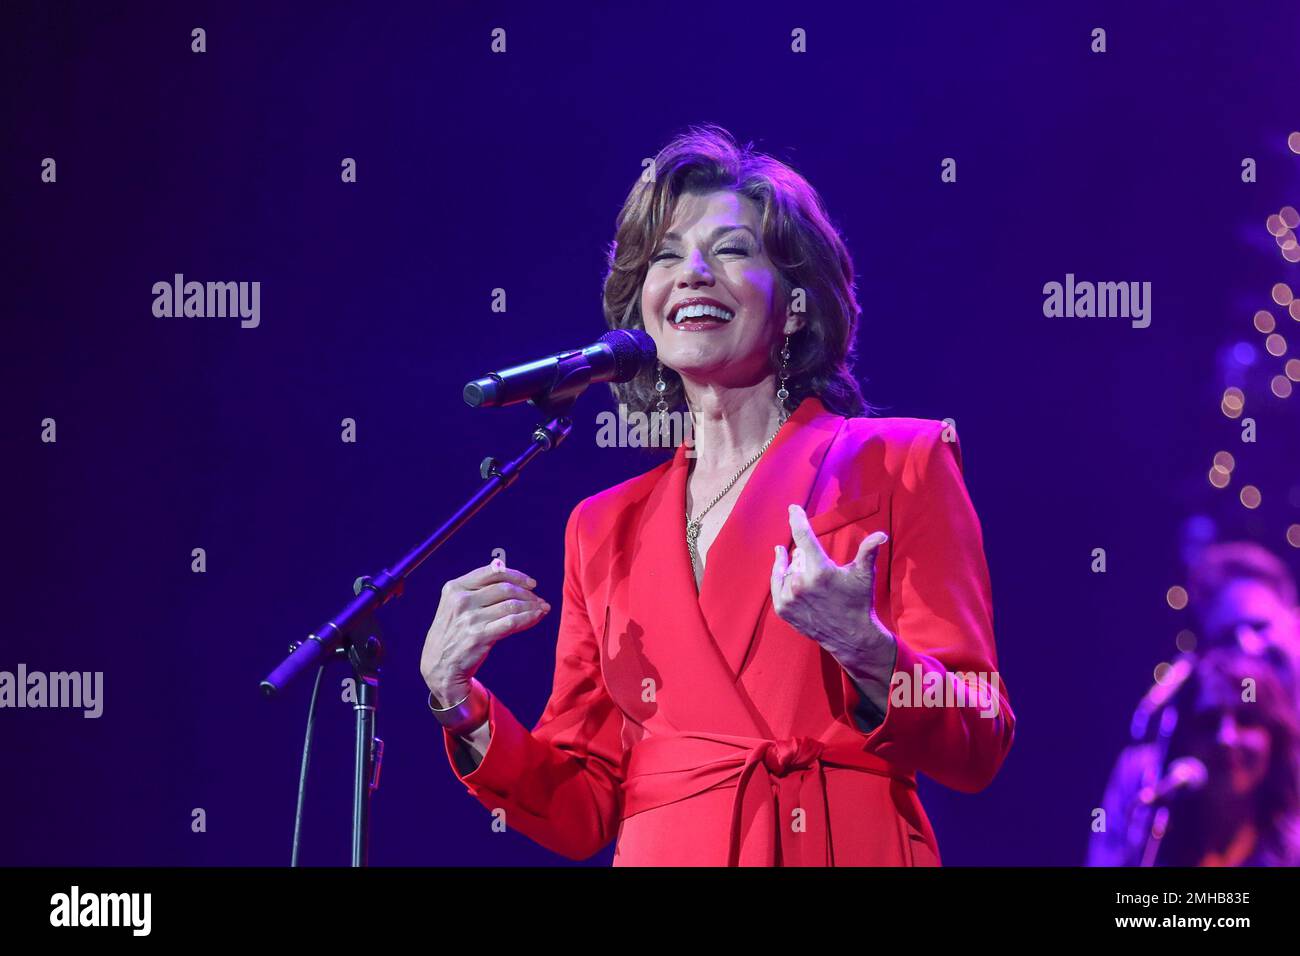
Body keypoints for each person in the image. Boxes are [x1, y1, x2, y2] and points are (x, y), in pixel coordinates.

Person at [420, 125, 1014, 865]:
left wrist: (866, 649)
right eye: (665, 256)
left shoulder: (899, 462)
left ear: (795, 305)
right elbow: (581, 807)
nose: (692, 272)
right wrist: (462, 705)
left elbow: (980, 738)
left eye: (730, 249)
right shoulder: (602, 528)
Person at [1088, 541, 1300, 866]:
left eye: (1259, 626)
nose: (1247, 646)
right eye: (1228, 636)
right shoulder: (1150, 772)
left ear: (1294, 624)